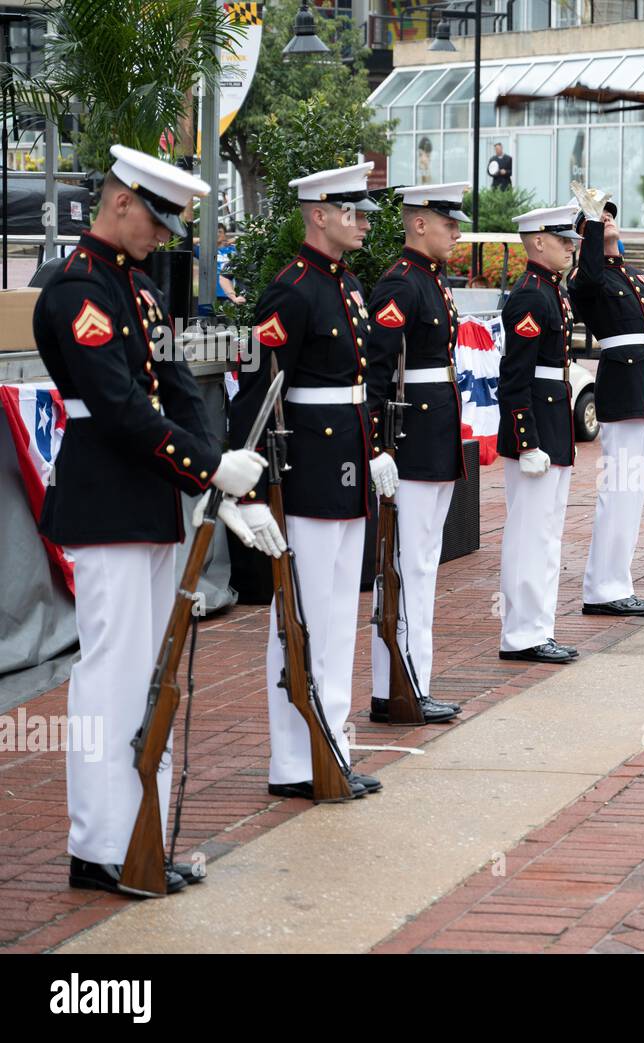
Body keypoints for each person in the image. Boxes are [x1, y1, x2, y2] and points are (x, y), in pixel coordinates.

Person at [36, 145, 271, 897]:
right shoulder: (76, 290)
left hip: (147, 500)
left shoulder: (136, 292)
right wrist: (207, 471)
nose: (165, 238)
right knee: (110, 673)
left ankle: (139, 835)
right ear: (122, 202)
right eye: (159, 220)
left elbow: (171, 385)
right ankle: (99, 844)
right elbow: (120, 408)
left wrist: (223, 476)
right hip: (108, 498)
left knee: (150, 671)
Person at [228, 160, 390, 801]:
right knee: (301, 617)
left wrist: (374, 448)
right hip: (310, 471)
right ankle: (295, 760)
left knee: (335, 614)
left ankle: (331, 744)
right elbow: (260, 393)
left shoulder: (345, 285)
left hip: (345, 465)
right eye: (349, 210)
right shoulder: (292, 290)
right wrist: (245, 488)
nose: (361, 221)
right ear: (318, 214)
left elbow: (357, 387)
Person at [365, 183, 470, 725]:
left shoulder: (430, 281)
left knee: (424, 564)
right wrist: (380, 446)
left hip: (435, 438)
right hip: (409, 444)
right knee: (405, 566)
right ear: (420, 224)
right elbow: (378, 374)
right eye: (448, 222)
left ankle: (414, 681)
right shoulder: (400, 284)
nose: (457, 232)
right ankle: (397, 686)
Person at [568, 181, 644, 617]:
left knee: (635, 491)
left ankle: (618, 582)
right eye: (600, 217)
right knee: (616, 490)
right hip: (620, 388)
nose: (609, 219)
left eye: (612, 215)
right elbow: (589, 278)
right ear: (585, 233)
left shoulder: (637, 277)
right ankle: (601, 587)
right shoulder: (586, 278)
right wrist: (592, 233)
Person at [497, 203, 582, 663]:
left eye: (571, 239)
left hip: (553, 427)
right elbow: (515, 377)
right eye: (562, 239)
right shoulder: (532, 294)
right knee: (530, 535)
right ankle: (522, 634)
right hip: (537, 432)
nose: (570, 246)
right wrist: (526, 441)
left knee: (547, 535)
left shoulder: (551, 290)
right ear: (537, 242)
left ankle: (537, 628)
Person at [216, 223, 245, 306]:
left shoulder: (234, 249)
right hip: (210, 294)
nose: (217, 234)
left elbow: (251, 239)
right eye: (214, 232)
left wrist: (236, 239)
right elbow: (187, 242)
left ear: (225, 234)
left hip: (229, 294)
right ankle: (179, 320)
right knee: (208, 318)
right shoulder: (205, 250)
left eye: (220, 232)